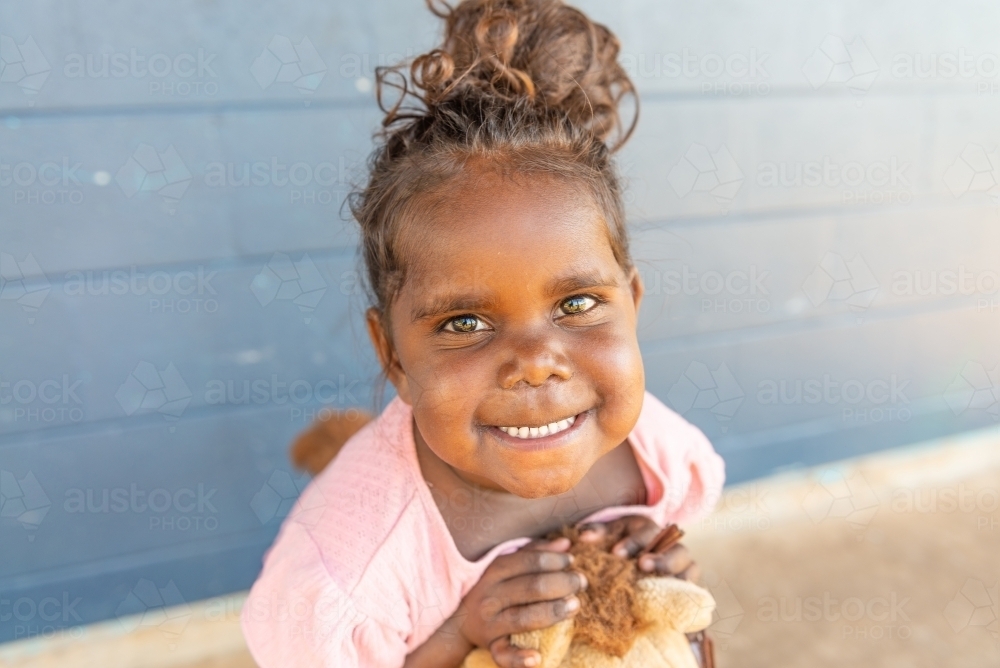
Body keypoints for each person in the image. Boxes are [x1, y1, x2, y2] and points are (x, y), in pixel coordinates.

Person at [241, 1, 725, 666]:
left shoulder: (653, 453)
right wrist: (461, 633)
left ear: (632, 303)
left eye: (578, 302)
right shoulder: (352, 570)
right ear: (393, 356)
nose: (535, 364)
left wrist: (655, 567)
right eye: (464, 323)